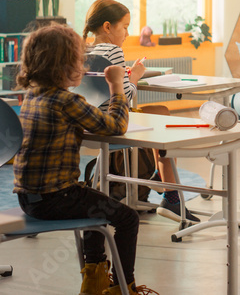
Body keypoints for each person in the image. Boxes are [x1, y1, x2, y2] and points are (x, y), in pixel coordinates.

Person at [12, 24, 156, 295]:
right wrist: (116, 87)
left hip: (29, 198)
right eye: (80, 60)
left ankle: (94, 282)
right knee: (127, 219)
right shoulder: (66, 100)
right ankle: (123, 288)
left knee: (94, 202)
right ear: (65, 66)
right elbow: (116, 126)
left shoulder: (32, 96)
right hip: (56, 198)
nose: (83, 65)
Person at [83, 0, 198, 224]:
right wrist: (134, 76)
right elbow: (125, 97)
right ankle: (170, 194)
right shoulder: (113, 51)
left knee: (160, 110)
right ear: (107, 27)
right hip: (115, 124)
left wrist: (124, 77)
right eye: (124, 27)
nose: (127, 34)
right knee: (163, 120)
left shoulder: (86, 50)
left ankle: (161, 178)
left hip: (92, 124)